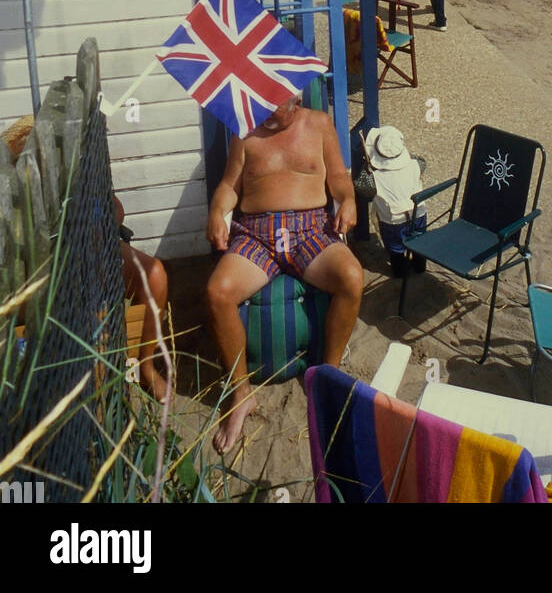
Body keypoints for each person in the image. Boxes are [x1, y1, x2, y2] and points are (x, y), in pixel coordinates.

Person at [205, 96, 362, 453]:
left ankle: (327, 375)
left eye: (285, 102)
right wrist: (217, 210)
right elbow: (231, 185)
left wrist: (349, 200)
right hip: (257, 233)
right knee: (218, 292)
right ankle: (241, 393)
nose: (278, 109)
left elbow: (338, 177)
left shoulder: (319, 123)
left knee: (352, 277)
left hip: (311, 230)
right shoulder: (244, 130)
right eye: (270, 102)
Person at [115, 195, 169, 401]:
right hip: (50, 259)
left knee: (154, 275)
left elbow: (117, 208)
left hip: (99, 244)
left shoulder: (81, 163)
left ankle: (145, 366)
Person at [364, 126, 427, 277]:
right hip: (417, 212)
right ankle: (420, 267)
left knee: (396, 248)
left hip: (392, 220)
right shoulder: (415, 164)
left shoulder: (372, 176)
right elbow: (422, 161)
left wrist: (366, 166)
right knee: (420, 242)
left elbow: (364, 192)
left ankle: (400, 272)